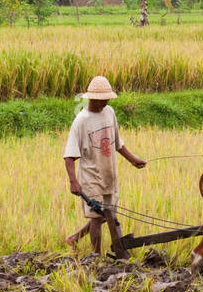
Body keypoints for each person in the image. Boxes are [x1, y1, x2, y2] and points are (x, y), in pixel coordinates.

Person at [63, 75, 146, 255]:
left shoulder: (110, 112)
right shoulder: (81, 120)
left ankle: (75, 237)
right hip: (91, 176)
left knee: (107, 215)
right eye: (103, 99)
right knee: (96, 217)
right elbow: (69, 156)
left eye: (108, 98)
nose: (106, 101)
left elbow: (117, 143)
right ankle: (96, 256)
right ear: (93, 98)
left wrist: (133, 159)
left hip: (109, 174)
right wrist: (73, 181)